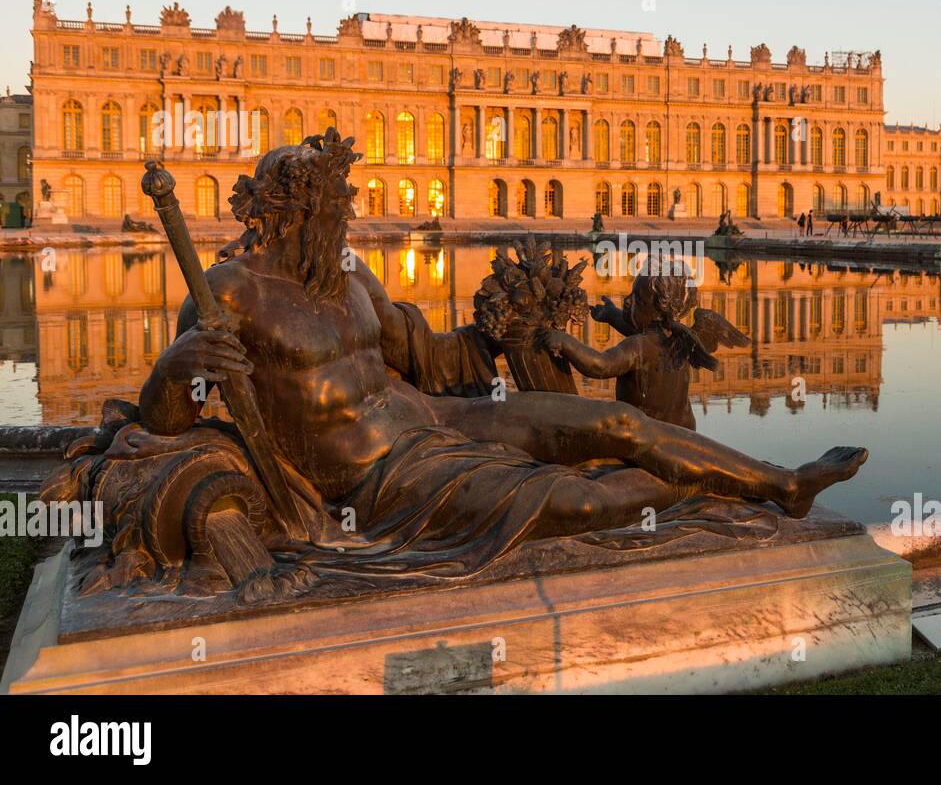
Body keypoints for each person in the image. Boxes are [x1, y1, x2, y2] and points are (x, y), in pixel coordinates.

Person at [139, 132, 864, 567]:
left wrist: (503, 328)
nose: (347, 219)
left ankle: (779, 484)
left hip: (432, 421)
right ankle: (702, 485)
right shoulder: (229, 292)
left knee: (622, 427)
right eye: (334, 210)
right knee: (573, 500)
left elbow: (428, 358)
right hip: (375, 478)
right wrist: (176, 371)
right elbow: (169, 420)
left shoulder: (351, 274)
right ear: (289, 214)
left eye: (345, 206)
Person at [539, 262, 748, 430]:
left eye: (637, 299)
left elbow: (601, 366)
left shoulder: (638, 346)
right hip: (683, 434)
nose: (628, 301)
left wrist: (566, 342)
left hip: (646, 435)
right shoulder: (682, 339)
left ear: (659, 308)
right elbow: (641, 336)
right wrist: (612, 316)